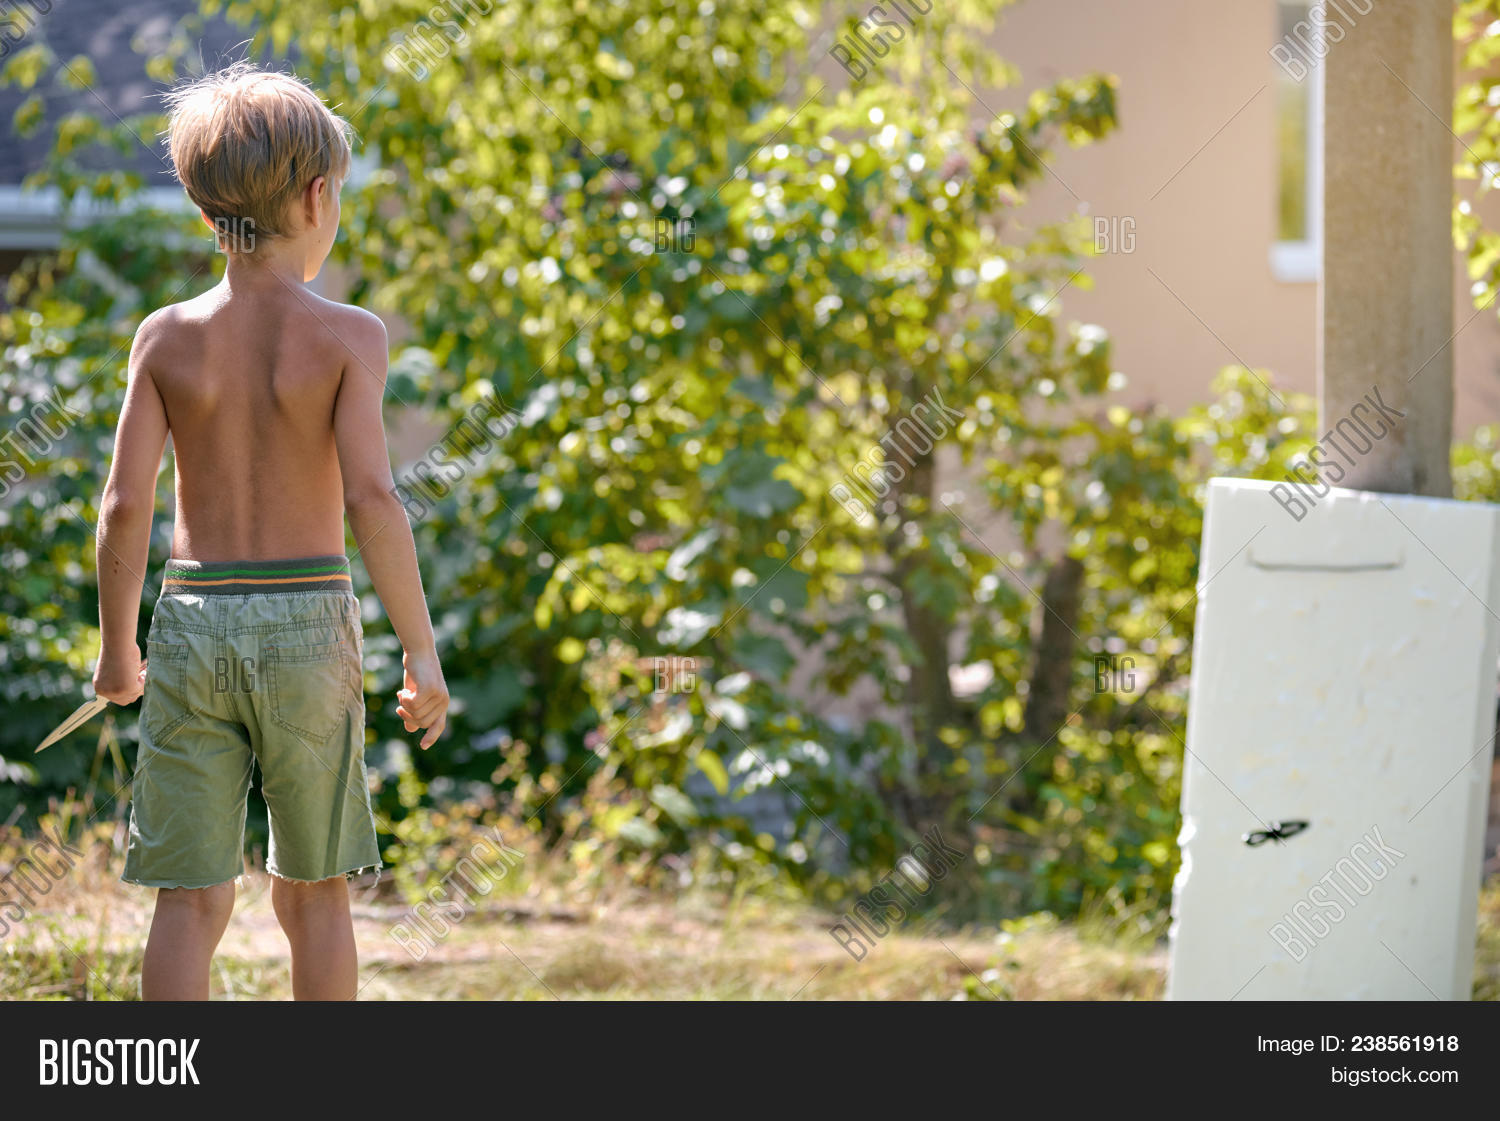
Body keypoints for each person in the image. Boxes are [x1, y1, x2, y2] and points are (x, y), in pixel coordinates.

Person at [89, 61, 448, 1000]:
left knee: (190, 896)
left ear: (208, 207)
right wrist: (421, 651)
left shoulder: (164, 338)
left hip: (193, 618)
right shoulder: (350, 336)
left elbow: (125, 504)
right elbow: (375, 500)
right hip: (307, 625)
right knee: (315, 891)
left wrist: (117, 649)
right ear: (317, 194)